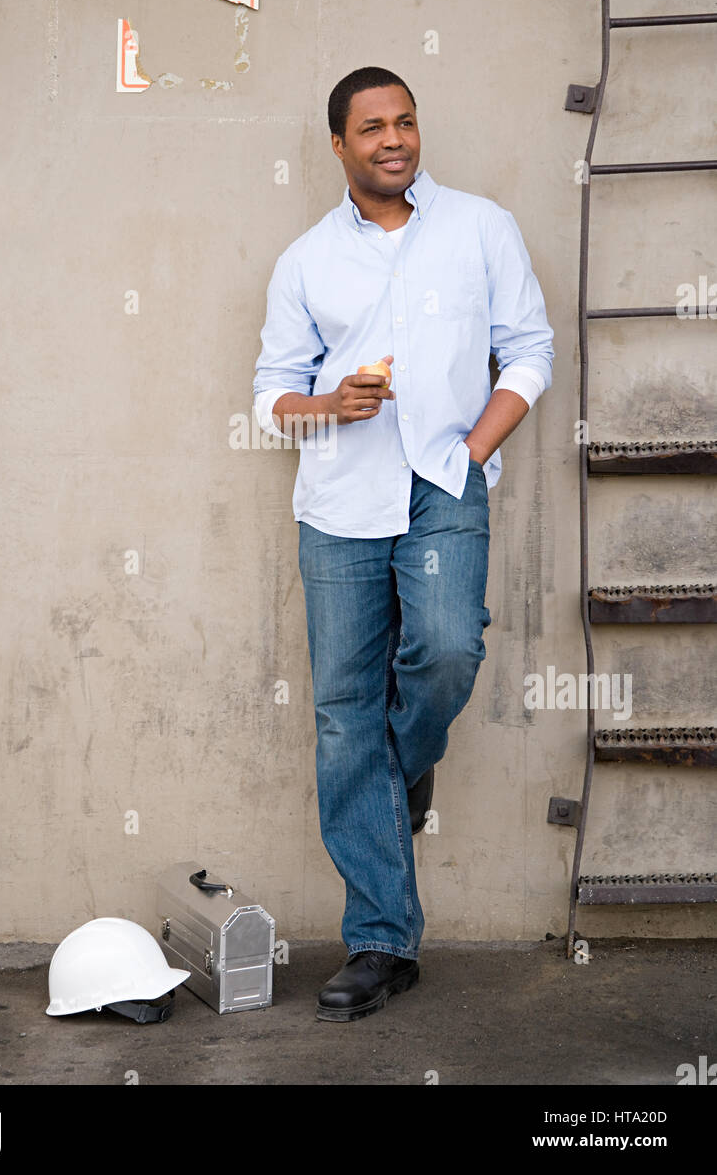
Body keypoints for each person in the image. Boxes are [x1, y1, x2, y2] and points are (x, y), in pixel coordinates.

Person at [252, 66, 554, 1022]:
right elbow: (268, 399)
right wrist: (326, 405)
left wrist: (469, 451)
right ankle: (382, 941)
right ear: (337, 146)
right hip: (337, 501)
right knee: (344, 713)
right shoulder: (304, 260)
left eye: (405, 122)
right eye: (371, 127)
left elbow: (531, 350)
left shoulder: (480, 228)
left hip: (443, 483)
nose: (393, 139)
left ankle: (399, 764)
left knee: (447, 649)